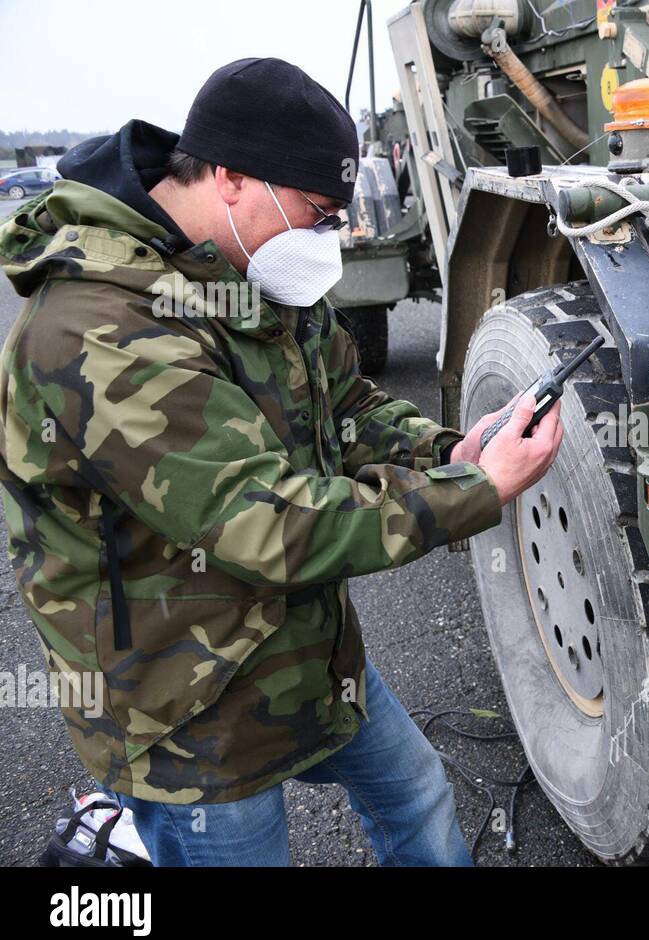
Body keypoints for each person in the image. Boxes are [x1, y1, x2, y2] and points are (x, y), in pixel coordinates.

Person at [0, 58, 563, 866]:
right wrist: (474, 490)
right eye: (316, 212)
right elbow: (266, 520)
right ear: (230, 177)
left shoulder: (250, 270)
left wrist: (448, 450)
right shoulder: (99, 328)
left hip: (306, 656)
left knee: (418, 801)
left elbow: (345, 402)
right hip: (186, 705)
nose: (323, 238)